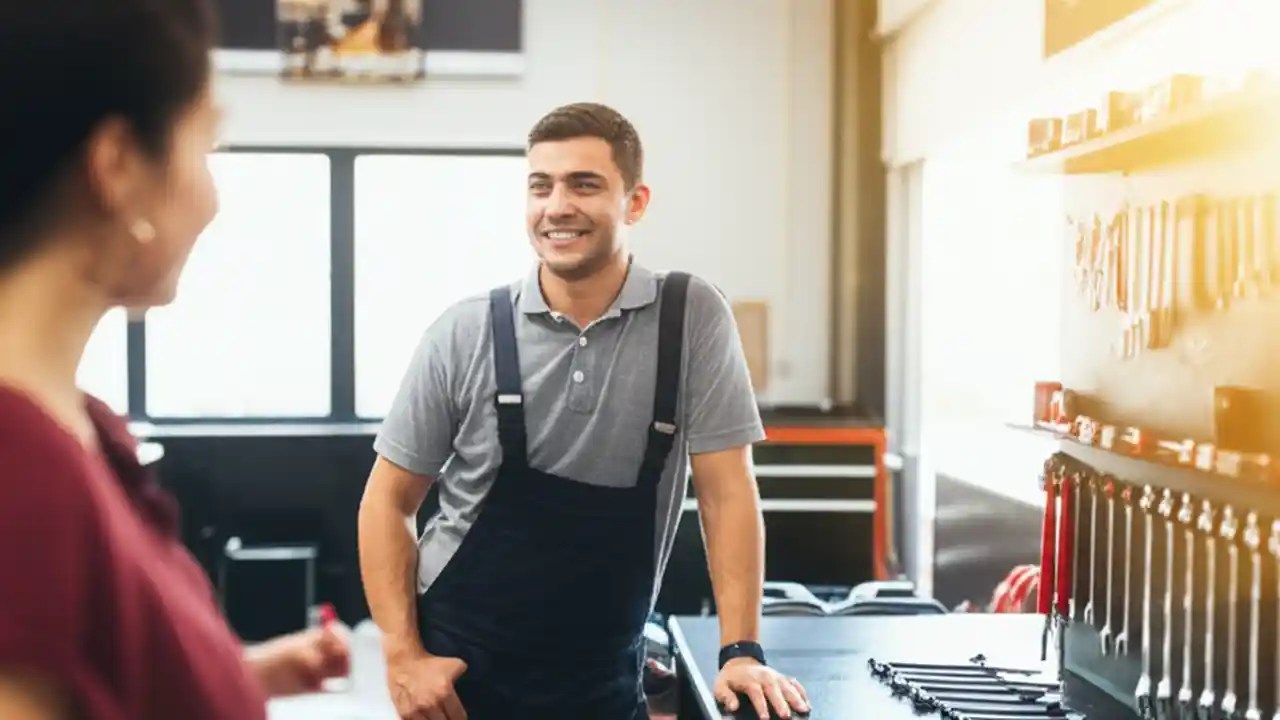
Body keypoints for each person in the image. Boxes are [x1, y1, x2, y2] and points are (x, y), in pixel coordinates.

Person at [358, 102, 811, 720]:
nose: (556, 206)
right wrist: (403, 656)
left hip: (600, 678)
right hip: (458, 681)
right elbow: (387, 501)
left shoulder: (691, 319)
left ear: (636, 202)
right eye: (540, 186)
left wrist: (741, 650)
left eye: (584, 184)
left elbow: (726, 492)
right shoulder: (463, 332)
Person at [0, 2, 351, 718]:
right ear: (119, 166)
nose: (214, 198)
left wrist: (236, 674)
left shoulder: (83, 425)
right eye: (207, 146)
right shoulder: (19, 468)